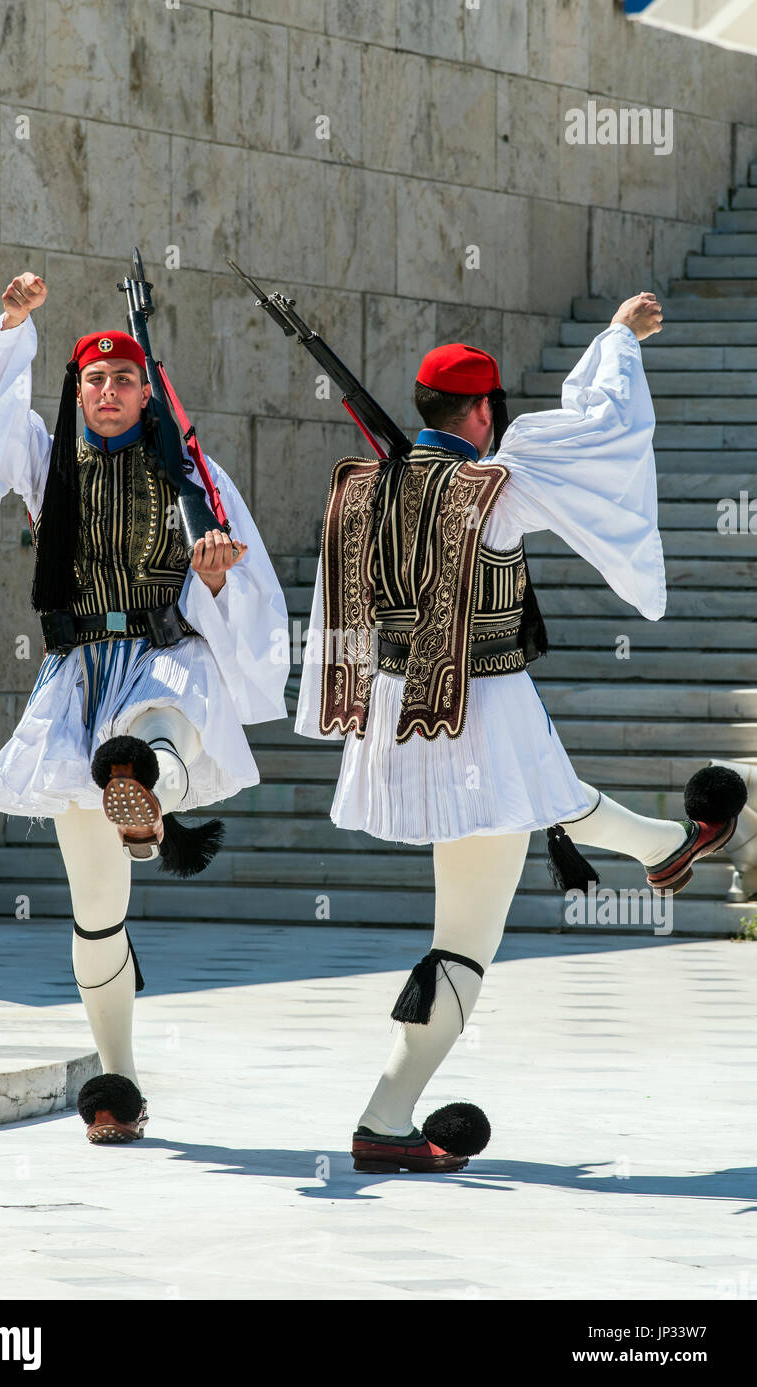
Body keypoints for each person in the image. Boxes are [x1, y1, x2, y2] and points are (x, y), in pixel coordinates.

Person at [294, 291, 746, 1175]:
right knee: (465, 938)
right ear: (484, 409)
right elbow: (601, 435)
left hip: (394, 714)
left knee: (553, 803)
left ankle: (664, 846)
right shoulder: (493, 483)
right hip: (481, 709)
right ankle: (385, 1119)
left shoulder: (358, 490)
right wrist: (617, 338)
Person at [0, 271, 290, 1144]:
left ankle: (146, 789)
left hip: (164, 653)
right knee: (94, 911)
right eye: (93, 381)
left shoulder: (193, 469)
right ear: (78, 389)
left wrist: (216, 572)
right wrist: (9, 329)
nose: (108, 394)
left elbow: (245, 577)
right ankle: (119, 1083)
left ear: (149, 390)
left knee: (151, 735)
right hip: (77, 671)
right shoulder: (44, 458)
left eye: (124, 380)